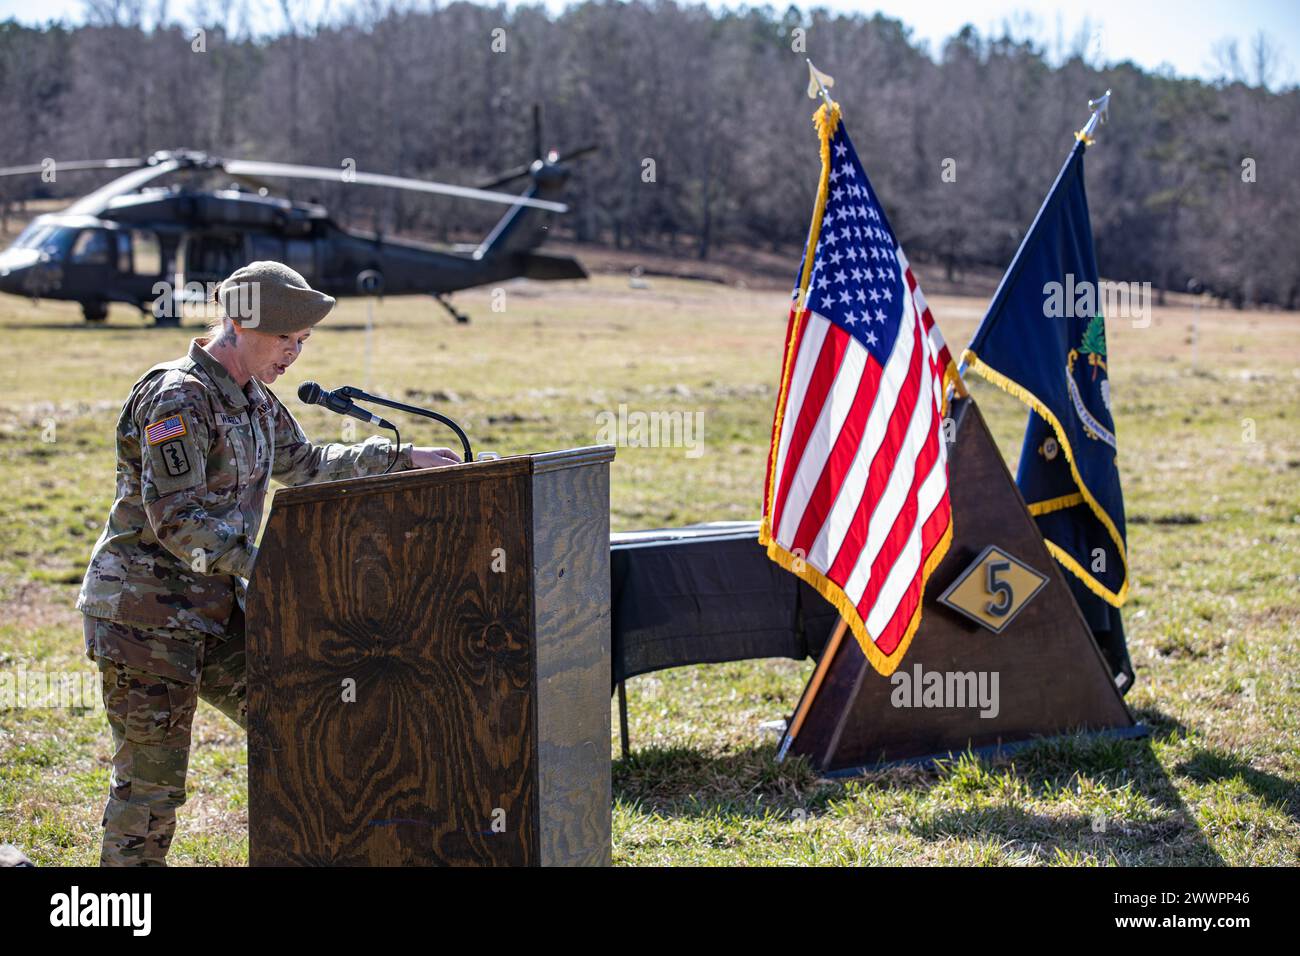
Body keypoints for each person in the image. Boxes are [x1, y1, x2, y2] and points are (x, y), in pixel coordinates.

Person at [76, 261, 461, 866]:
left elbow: (306, 462)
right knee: (151, 788)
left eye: (302, 342)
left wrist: (402, 456)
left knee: (305, 723)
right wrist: (271, 566)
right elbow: (177, 522)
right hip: (144, 619)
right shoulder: (178, 396)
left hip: (218, 611)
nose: (294, 354)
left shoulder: (255, 398)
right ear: (237, 325)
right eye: (285, 339)